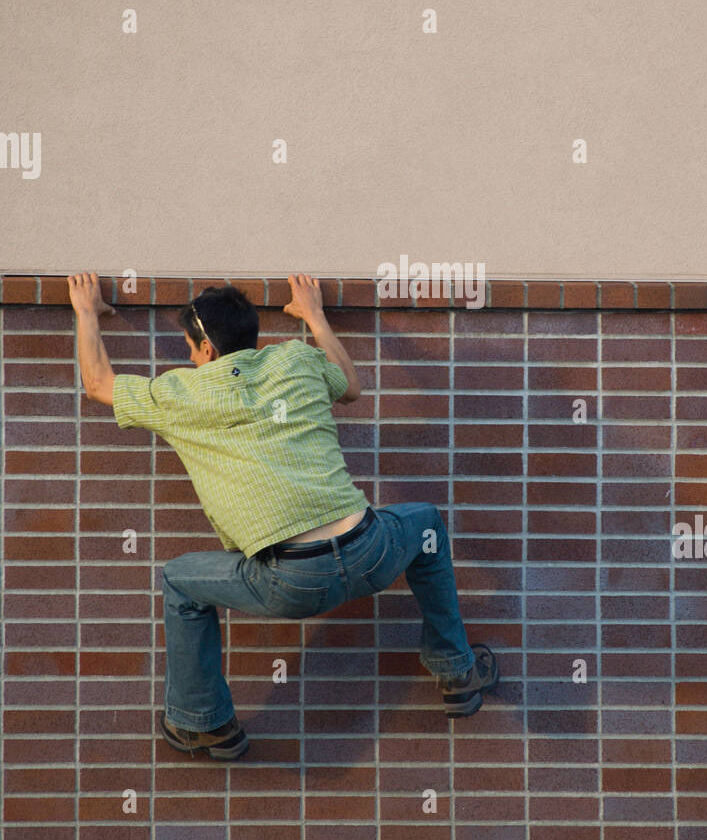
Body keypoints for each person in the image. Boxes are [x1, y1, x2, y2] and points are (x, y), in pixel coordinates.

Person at [66, 271, 499, 759]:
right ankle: (456, 669)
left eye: (190, 347)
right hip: (372, 549)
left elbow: (98, 382)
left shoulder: (180, 393)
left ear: (206, 349)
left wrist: (86, 311)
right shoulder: (295, 359)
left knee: (181, 581)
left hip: (291, 581)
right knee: (425, 523)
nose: (188, 357)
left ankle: (202, 722)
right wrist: (314, 315)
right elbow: (351, 387)